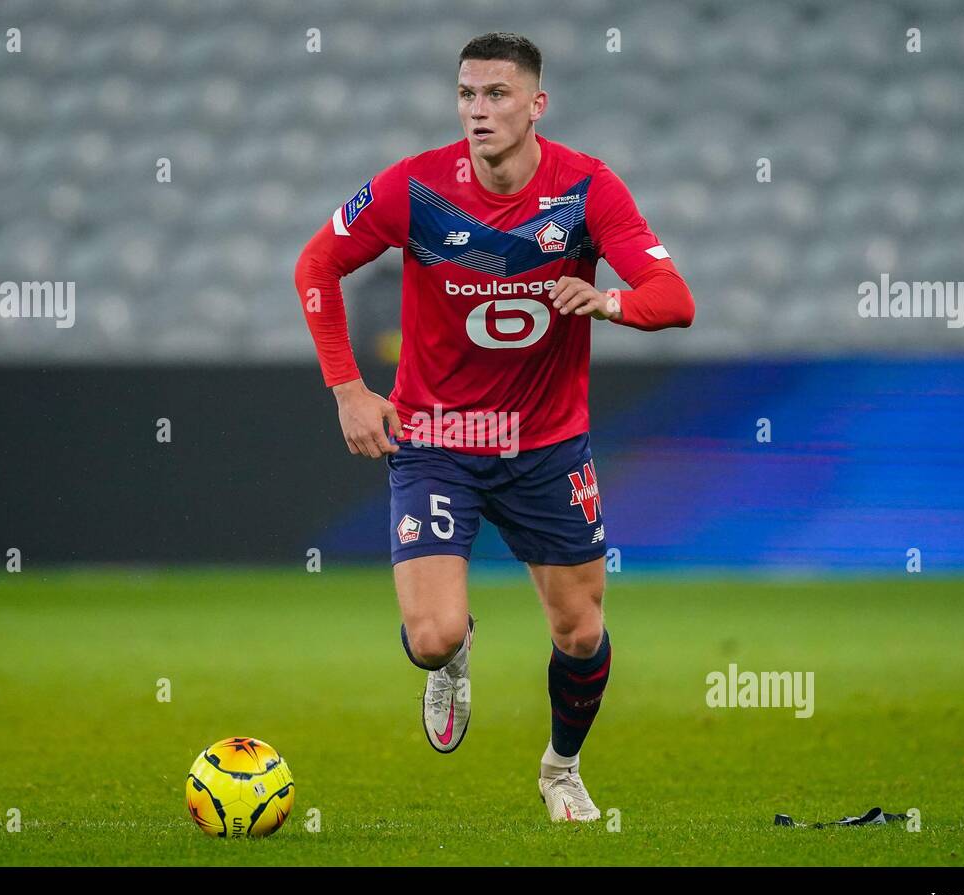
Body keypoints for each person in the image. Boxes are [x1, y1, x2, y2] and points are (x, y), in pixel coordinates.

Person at [294, 32, 695, 821]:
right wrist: (347, 387)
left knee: (580, 634)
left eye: (498, 95)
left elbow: (674, 297)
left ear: (536, 105)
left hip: (546, 449)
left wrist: (608, 301)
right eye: (467, 95)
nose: (479, 110)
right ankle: (455, 659)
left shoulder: (586, 190)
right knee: (434, 635)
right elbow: (316, 265)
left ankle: (561, 769)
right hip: (437, 443)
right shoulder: (415, 189)